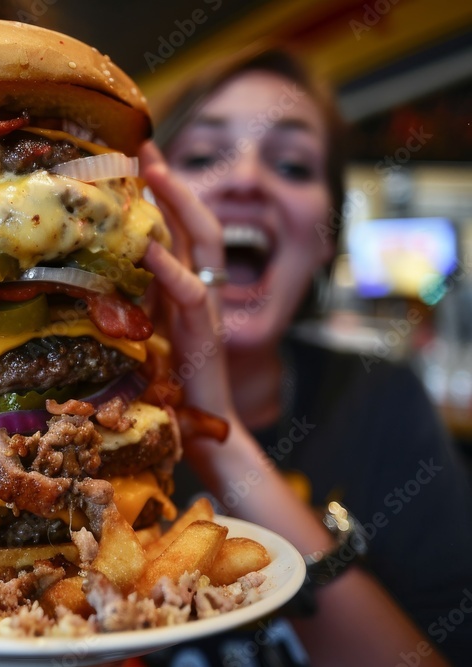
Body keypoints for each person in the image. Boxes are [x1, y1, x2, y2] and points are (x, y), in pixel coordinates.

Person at [138, 49, 472, 665]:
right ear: (142, 210)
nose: (247, 179)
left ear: (327, 240)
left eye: (292, 165)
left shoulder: (385, 402)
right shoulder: (75, 421)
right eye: (205, 156)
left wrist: (217, 434)